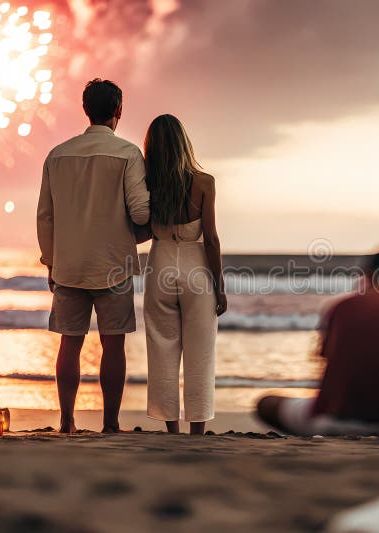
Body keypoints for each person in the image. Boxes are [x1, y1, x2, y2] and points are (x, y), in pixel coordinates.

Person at [37, 79, 149, 433]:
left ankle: (67, 421)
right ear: (118, 111)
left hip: (68, 264)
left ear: (86, 110)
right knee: (113, 346)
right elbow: (141, 213)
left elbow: (45, 216)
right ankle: (110, 424)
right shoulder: (129, 154)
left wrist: (51, 260)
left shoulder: (57, 154)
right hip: (114, 264)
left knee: (69, 344)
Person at [256, 251, 379, 436]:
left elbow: (326, 359)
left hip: (331, 419)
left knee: (266, 403)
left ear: (367, 274)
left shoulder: (341, 308)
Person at [143, 114, 226, 436]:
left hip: (161, 262)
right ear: (183, 143)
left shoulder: (148, 184)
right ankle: (197, 432)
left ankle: (171, 431)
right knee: (200, 353)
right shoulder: (204, 182)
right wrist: (219, 289)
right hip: (196, 270)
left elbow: (138, 225)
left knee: (162, 347)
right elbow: (212, 239)